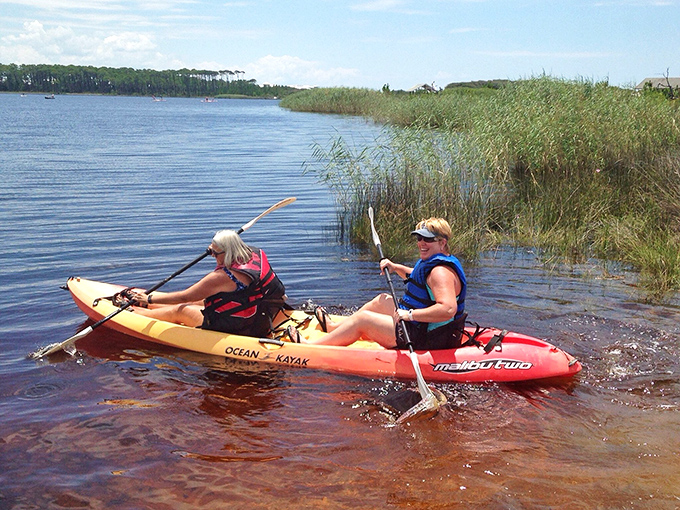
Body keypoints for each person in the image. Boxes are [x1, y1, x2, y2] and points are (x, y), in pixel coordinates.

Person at [290, 217, 466, 350]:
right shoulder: (434, 262)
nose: (421, 243)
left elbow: (447, 309)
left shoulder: (440, 272)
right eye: (419, 238)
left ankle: (312, 346)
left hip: (424, 336)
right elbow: (419, 279)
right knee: (382, 300)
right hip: (419, 325)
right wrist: (395, 267)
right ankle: (334, 328)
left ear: (442, 242)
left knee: (363, 320)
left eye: (427, 239)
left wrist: (410, 315)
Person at [129, 230, 287, 337]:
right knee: (200, 300)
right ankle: (147, 304)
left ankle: (136, 313)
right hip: (259, 311)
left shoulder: (222, 277)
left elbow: (184, 297)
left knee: (181, 310)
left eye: (214, 252)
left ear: (227, 252)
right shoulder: (255, 255)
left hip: (236, 324)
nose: (212, 256)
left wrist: (149, 299)